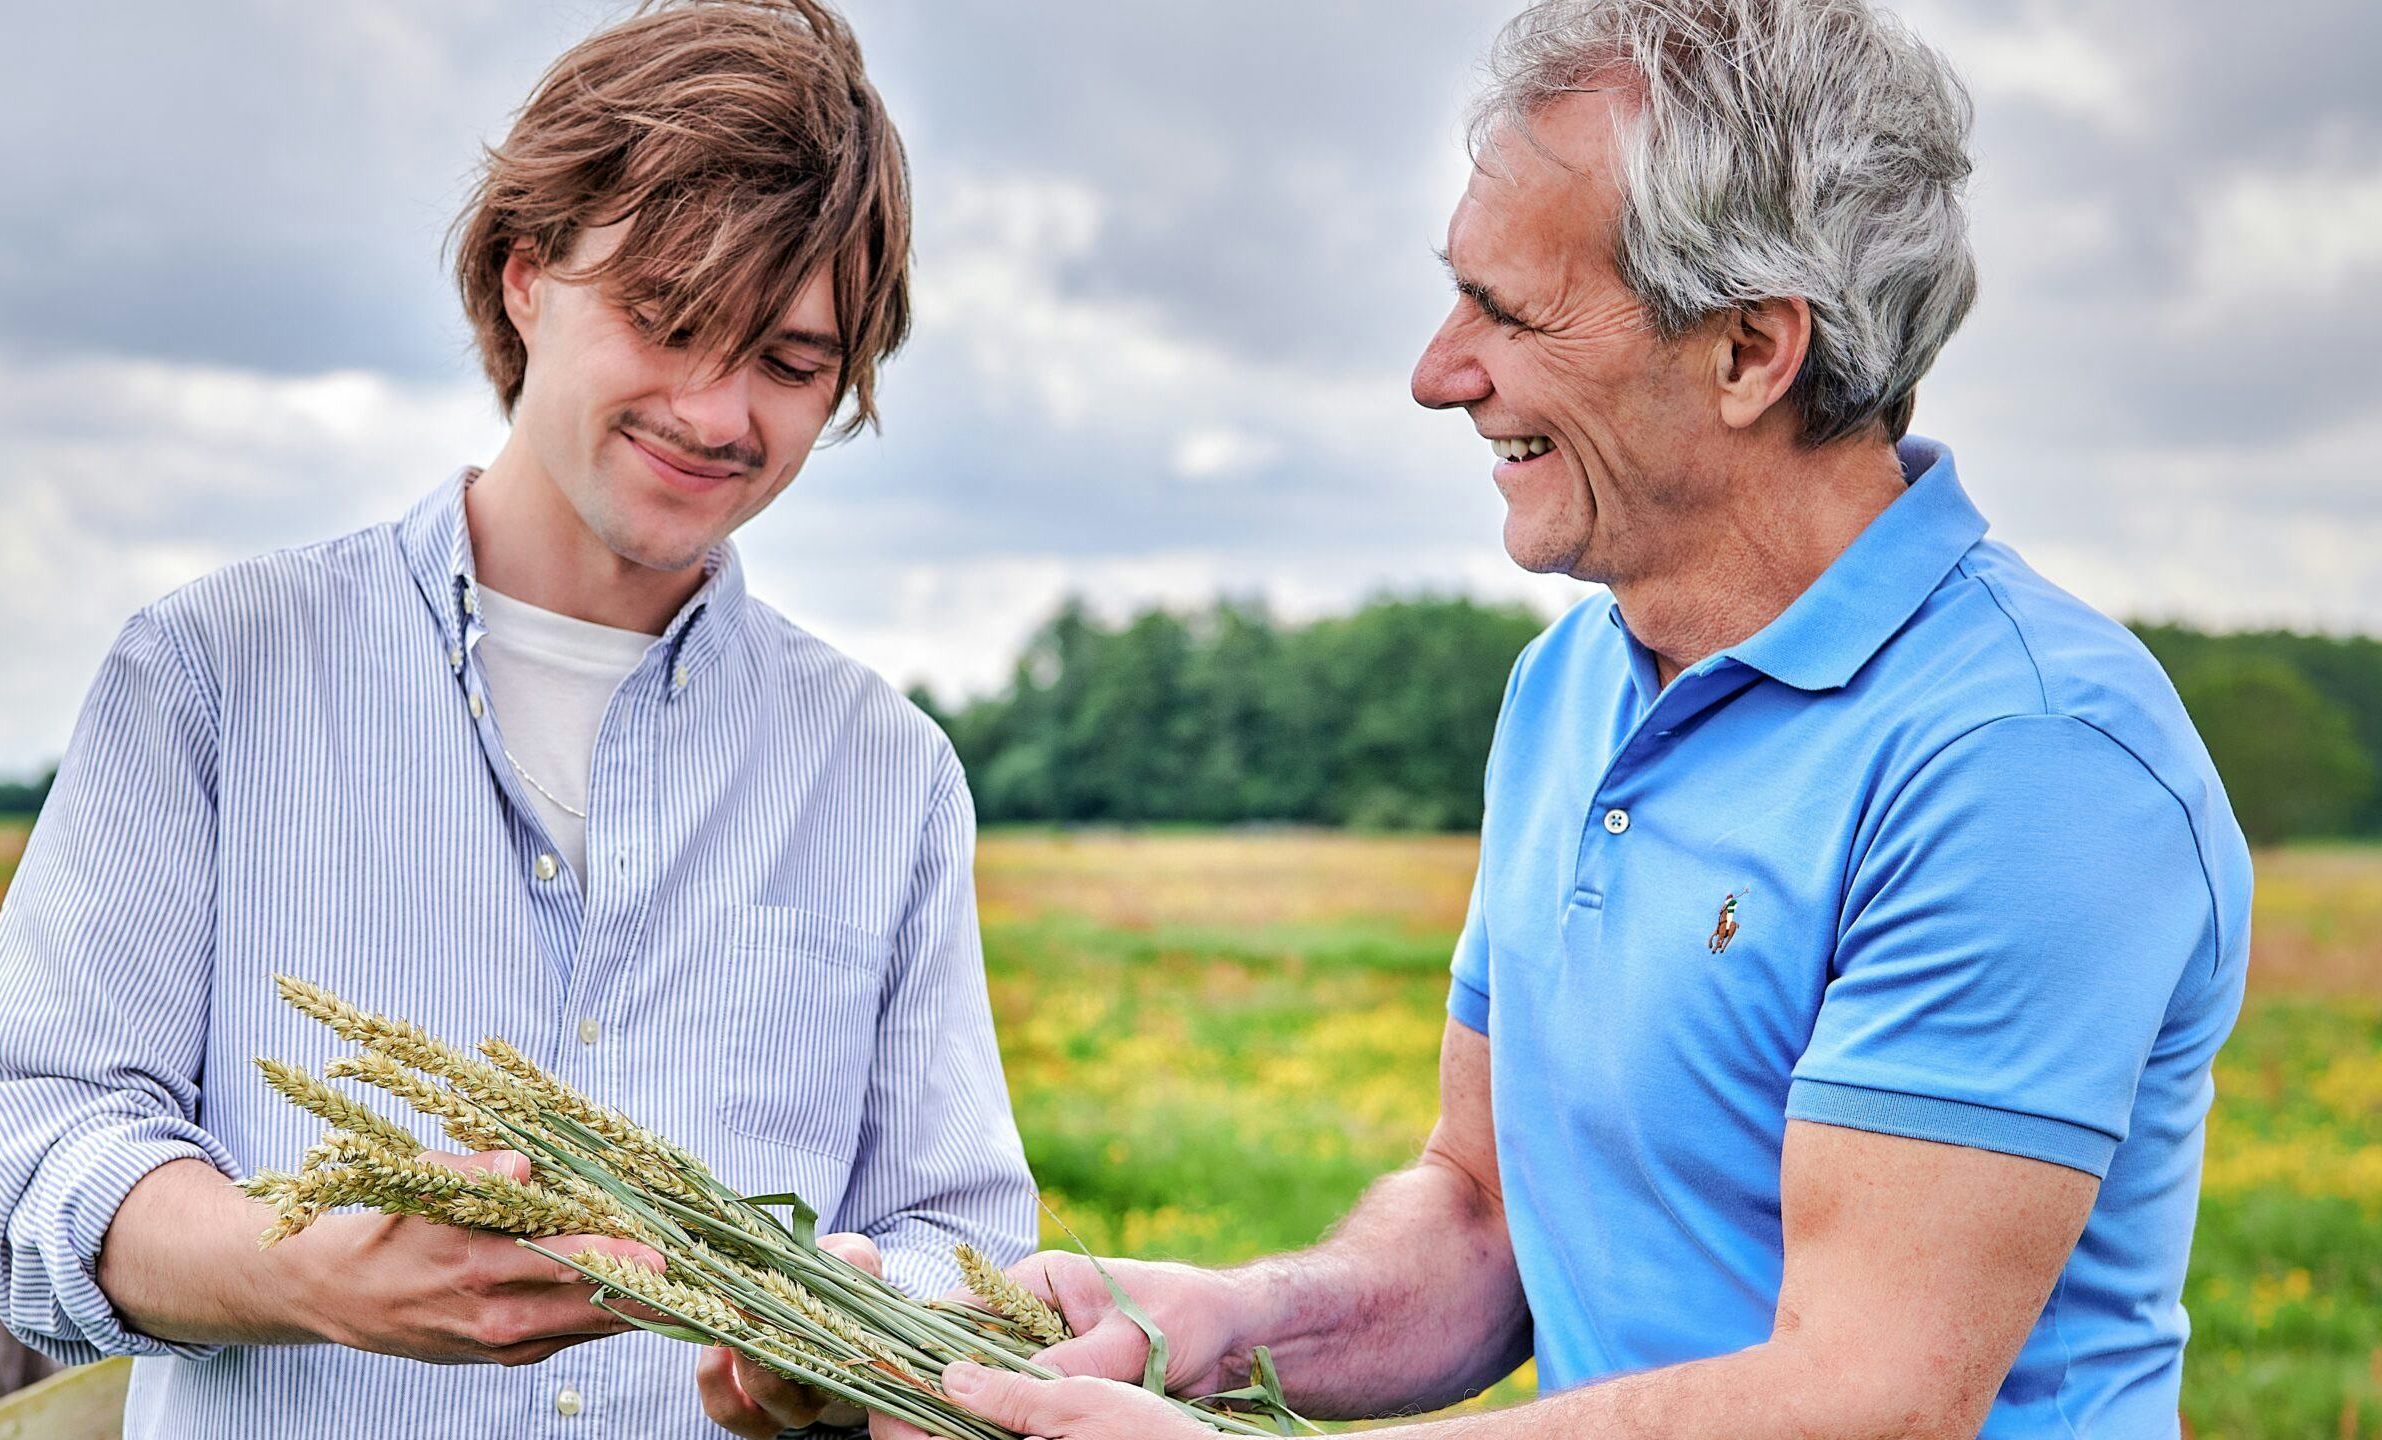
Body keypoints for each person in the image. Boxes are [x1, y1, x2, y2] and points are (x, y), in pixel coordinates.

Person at [834, 2, 2249, 1438]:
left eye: (1509, 311)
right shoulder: (1570, 687)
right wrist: (1220, 1324)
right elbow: (1487, 1214)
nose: (1440, 372)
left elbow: (1865, 1400)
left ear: (1752, 351)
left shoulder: (2030, 759)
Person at [0, 3, 1035, 1435]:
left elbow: (963, 1238)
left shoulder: (888, 775)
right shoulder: (216, 673)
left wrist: (855, 1328)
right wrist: (309, 1272)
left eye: (790, 361)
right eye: (668, 318)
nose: (717, 410)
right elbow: (48, 1149)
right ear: (526, 278)